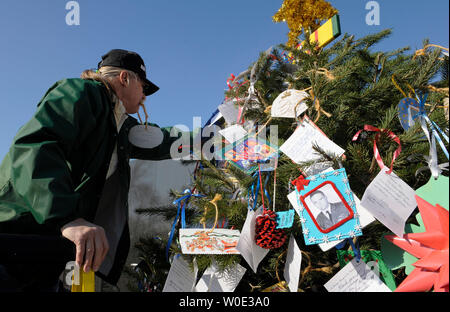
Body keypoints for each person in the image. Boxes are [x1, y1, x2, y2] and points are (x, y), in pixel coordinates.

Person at [0, 49, 194, 291]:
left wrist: (211, 139)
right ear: (125, 78)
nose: (144, 96)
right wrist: (67, 217)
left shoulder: (121, 125)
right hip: (16, 233)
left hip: (52, 246)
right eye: (143, 86)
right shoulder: (81, 94)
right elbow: (34, 147)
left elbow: (162, 139)